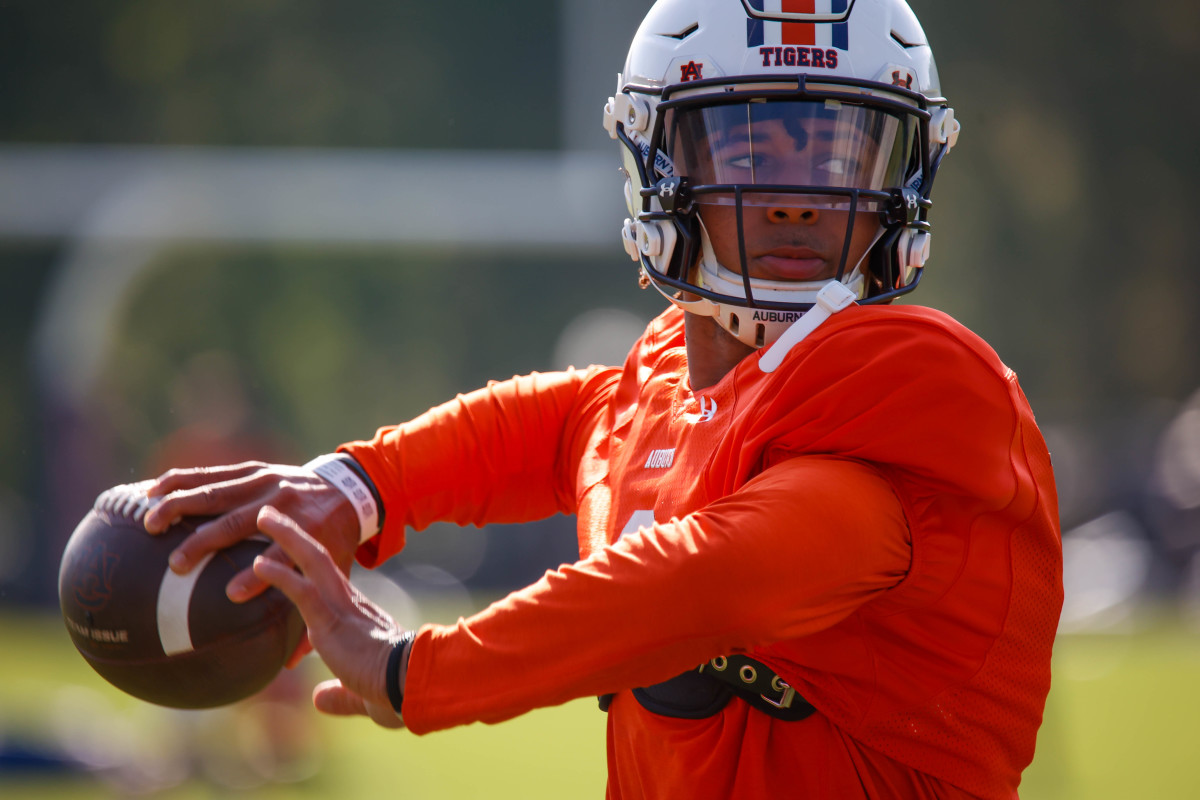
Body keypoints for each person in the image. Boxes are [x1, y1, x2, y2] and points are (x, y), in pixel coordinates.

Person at [125, 1, 1064, 797]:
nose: (796, 198)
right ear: (659, 164)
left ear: (900, 178)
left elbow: (714, 577)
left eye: (837, 156)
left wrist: (418, 669)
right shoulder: (667, 381)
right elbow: (565, 424)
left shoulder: (917, 383)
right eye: (747, 148)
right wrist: (354, 487)